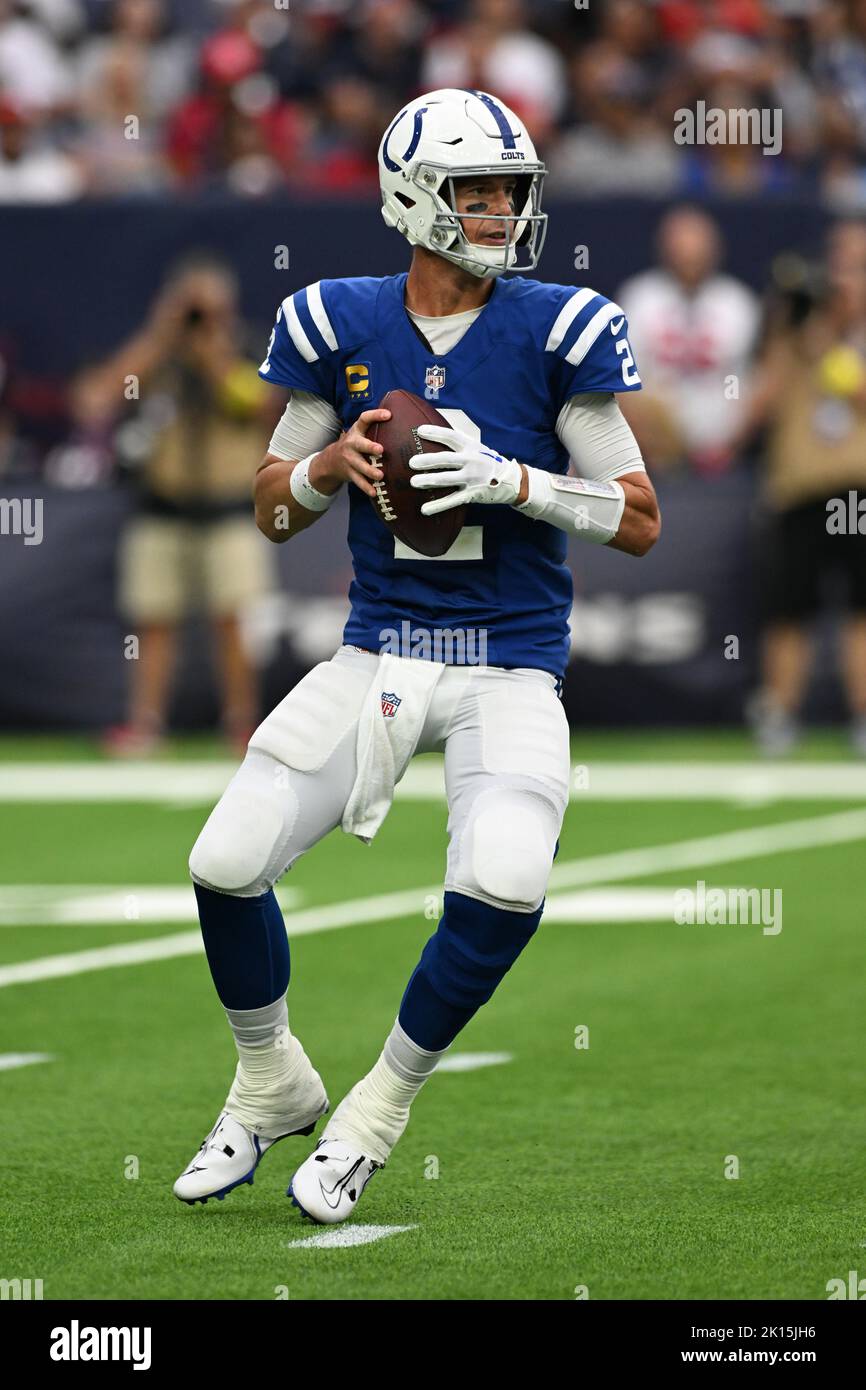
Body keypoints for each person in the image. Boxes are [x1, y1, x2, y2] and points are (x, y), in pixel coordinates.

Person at [175, 87, 660, 1225]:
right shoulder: (333, 319)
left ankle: (374, 1113)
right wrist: (323, 468)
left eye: (511, 191)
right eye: (475, 190)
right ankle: (268, 1077)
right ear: (410, 197)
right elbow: (267, 509)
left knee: (504, 878)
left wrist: (514, 481)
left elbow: (638, 518)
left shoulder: (558, 327)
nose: (499, 211)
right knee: (223, 860)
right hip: (379, 649)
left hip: (508, 661)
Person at [75, 255, 275, 754]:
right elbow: (95, 401)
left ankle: (242, 724)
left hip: (230, 507)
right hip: (161, 507)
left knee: (234, 620)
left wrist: (213, 350)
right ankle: (145, 725)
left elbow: (257, 405)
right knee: (153, 620)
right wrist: (158, 336)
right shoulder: (154, 358)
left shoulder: (246, 349)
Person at [736, 220, 866, 754]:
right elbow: (752, 414)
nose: (843, 283)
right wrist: (784, 327)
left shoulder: (849, 342)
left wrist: (832, 348)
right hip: (795, 490)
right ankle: (780, 717)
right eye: (838, 268)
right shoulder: (790, 337)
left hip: (857, 488)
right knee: (788, 610)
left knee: (862, 608)